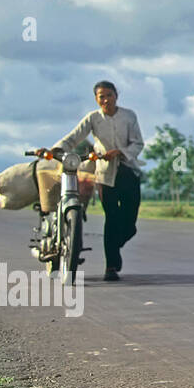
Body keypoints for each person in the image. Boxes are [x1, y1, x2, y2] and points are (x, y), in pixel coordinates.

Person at [41, 81, 144, 281]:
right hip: (105, 175)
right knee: (112, 219)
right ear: (96, 99)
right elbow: (74, 137)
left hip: (128, 171)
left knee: (130, 225)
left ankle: (116, 245)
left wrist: (121, 152)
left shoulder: (129, 116)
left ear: (116, 96)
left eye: (109, 95)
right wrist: (55, 149)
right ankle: (111, 267)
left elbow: (138, 143)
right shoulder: (93, 118)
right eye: (101, 96)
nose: (105, 100)